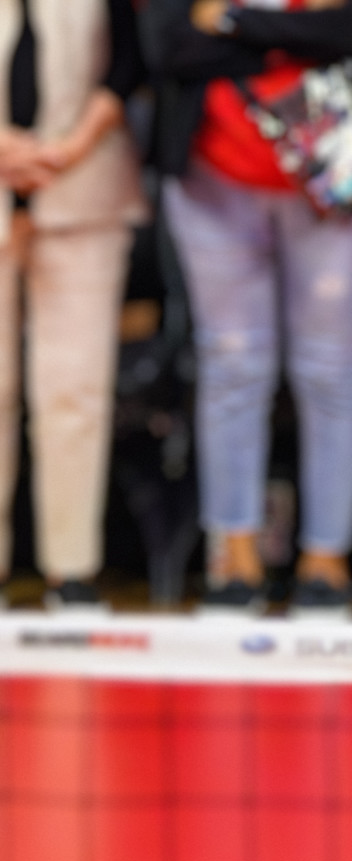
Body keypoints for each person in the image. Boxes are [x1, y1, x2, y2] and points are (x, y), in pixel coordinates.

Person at [141, 0, 352, 616]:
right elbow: (170, 47)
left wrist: (229, 21)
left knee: (331, 369)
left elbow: (351, 29)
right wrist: (291, 39)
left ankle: (325, 561)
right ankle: (235, 556)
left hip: (334, 174)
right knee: (232, 365)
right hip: (212, 177)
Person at [0, 0, 148, 609]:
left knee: (74, 389)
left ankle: (72, 568)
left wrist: (66, 149)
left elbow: (132, 58)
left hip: (84, 185)